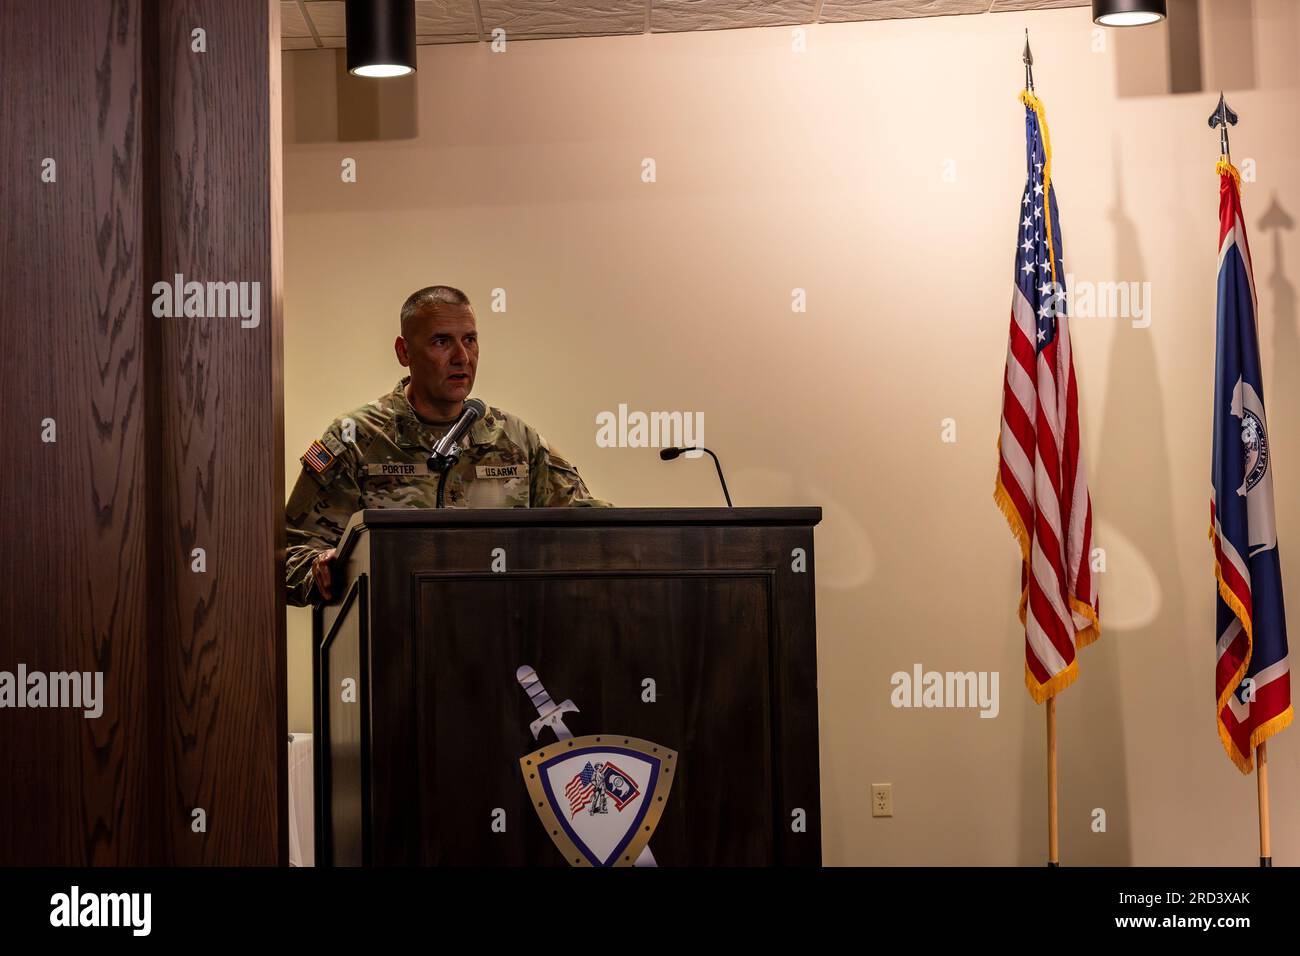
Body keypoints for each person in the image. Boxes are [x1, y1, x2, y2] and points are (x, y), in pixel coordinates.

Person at [285, 285, 610, 606]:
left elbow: (593, 530)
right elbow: (289, 554)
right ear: (404, 352)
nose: (462, 357)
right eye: (442, 342)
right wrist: (322, 569)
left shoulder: (515, 439)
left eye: (470, 340)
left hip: (505, 633)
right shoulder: (355, 438)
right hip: (394, 638)